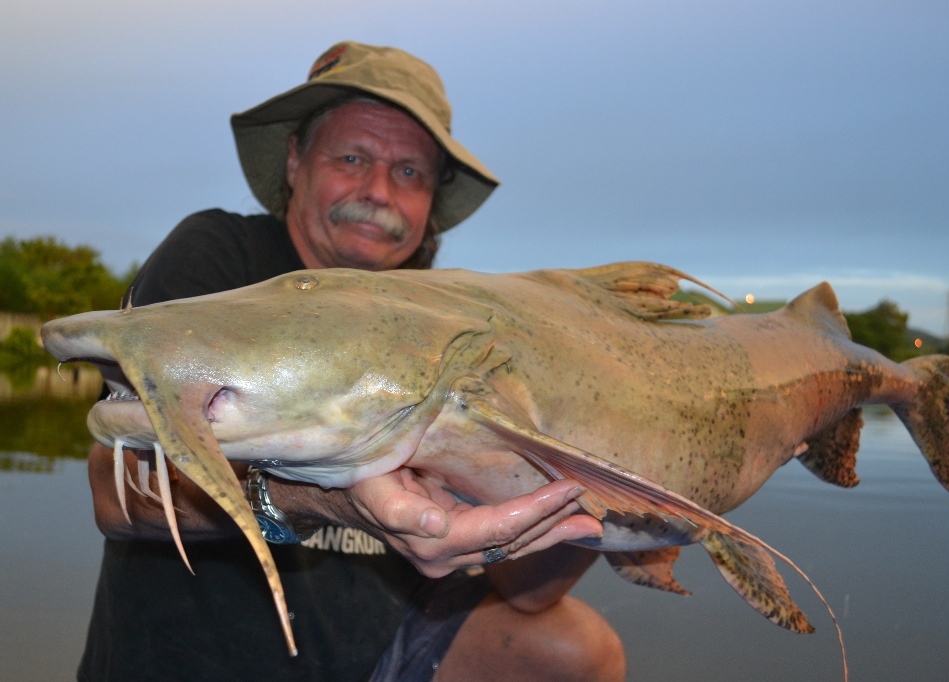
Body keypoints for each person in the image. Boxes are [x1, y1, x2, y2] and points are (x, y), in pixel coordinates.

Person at [78, 41, 626, 682]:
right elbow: (113, 498)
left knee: (577, 652)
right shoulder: (219, 262)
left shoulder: (455, 333)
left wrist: (604, 503)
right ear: (294, 160)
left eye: (410, 173)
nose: (378, 192)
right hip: (199, 659)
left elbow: (529, 592)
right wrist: (321, 499)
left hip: (384, 647)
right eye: (352, 157)